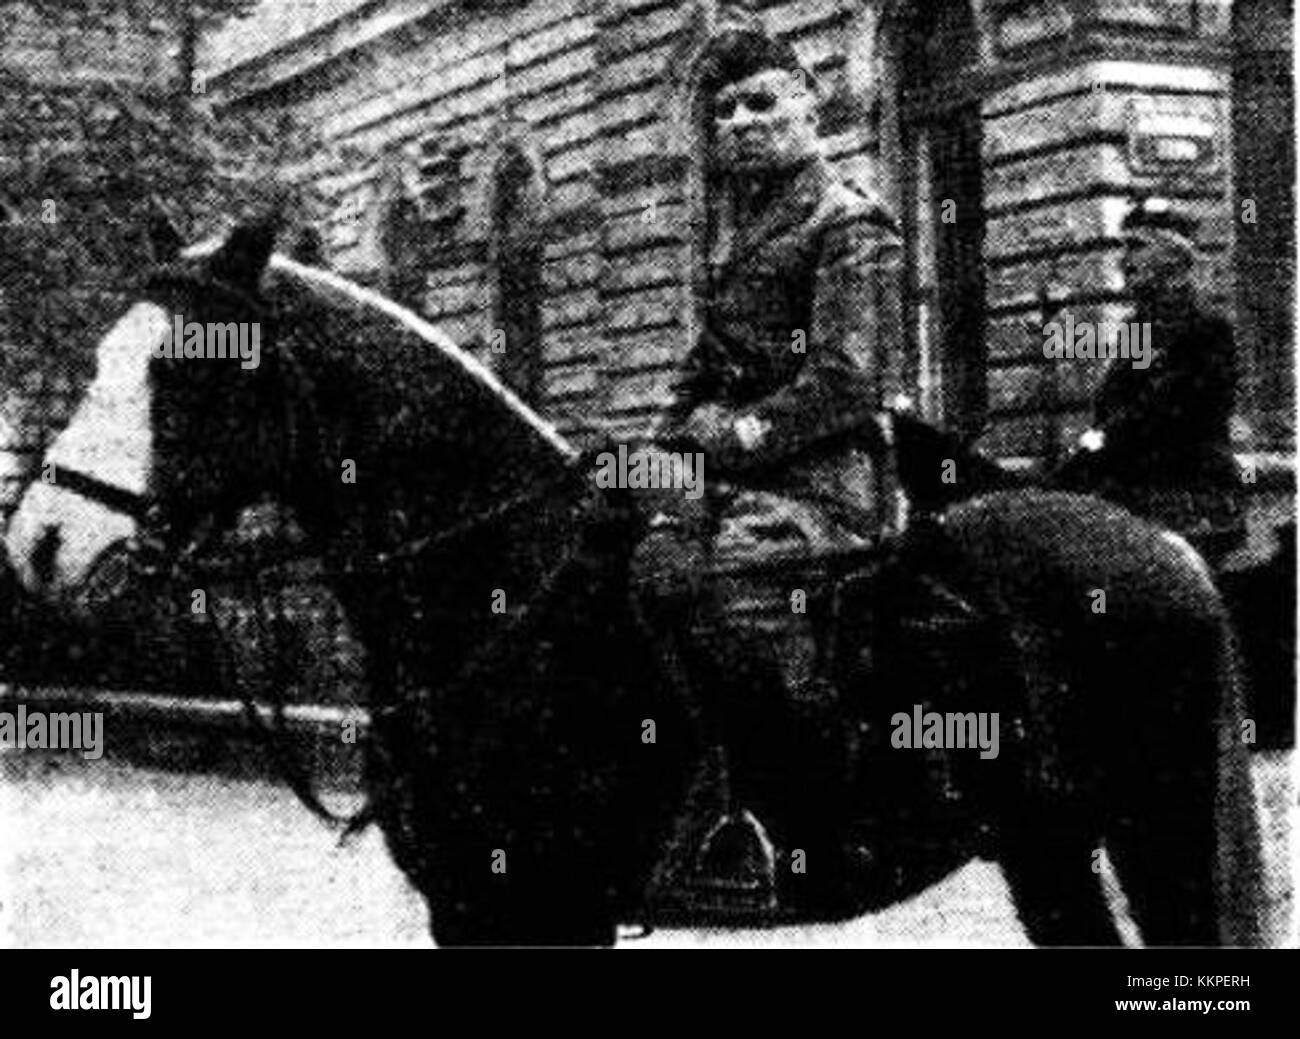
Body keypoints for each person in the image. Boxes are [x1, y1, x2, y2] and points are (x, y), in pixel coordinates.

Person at [630, 29, 904, 914]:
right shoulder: (739, 231)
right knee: (609, 554)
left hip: (824, 486)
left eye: (762, 103)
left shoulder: (847, 222)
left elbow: (847, 381)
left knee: (734, 588)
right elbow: (699, 370)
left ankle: (791, 817)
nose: (740, 122)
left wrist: (726, 439)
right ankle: (663, 795)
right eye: (724, 111)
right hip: (735, 476)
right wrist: (655, 453)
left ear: (810, 110)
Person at [1058, 197, 1244, 562]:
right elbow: (1113, 402)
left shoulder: (1205, 328)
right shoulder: (1139, 327)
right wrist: (1085, 451)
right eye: (1124, 247)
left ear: (1174, 257)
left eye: (1138, 246)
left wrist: (1089, 450)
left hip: (1192, 502)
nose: (1124, 260)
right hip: (1139, 497)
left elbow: (1156, 412)